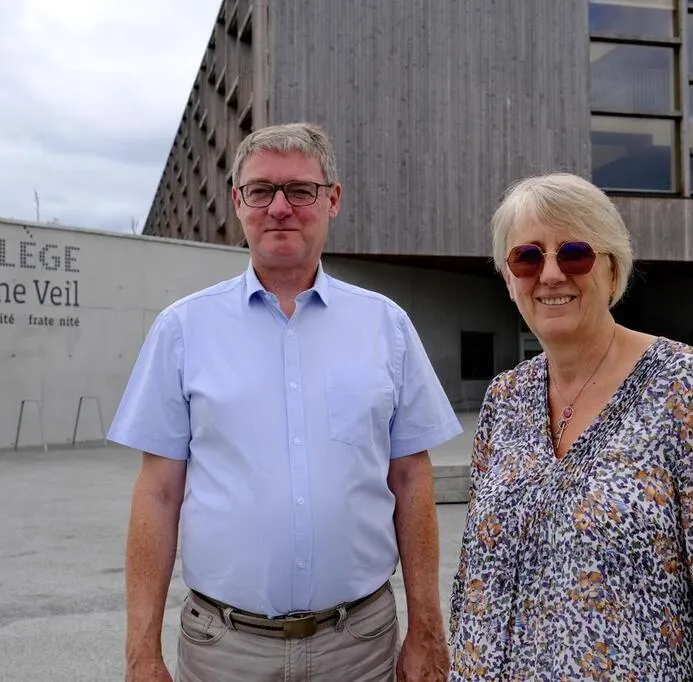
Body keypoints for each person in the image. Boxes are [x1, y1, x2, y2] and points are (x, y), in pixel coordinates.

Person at [107, 122, 462, 682]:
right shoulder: (182, 330)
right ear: (237, 202)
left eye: (300, 191)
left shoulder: (386, 327)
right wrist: (140, 652)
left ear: (333, 200)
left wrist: (427, 629)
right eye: (261, 190)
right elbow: (157, 491)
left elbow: (413, 480)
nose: (280, 208)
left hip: (360, 646)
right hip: (225, 650)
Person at [447, 172, 693, 680]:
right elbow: (476, 576)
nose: (552, 274)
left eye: (575, 253)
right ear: (508, 276)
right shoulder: (505, 398)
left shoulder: (687, 388)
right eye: (528, 256)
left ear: (612, 269)